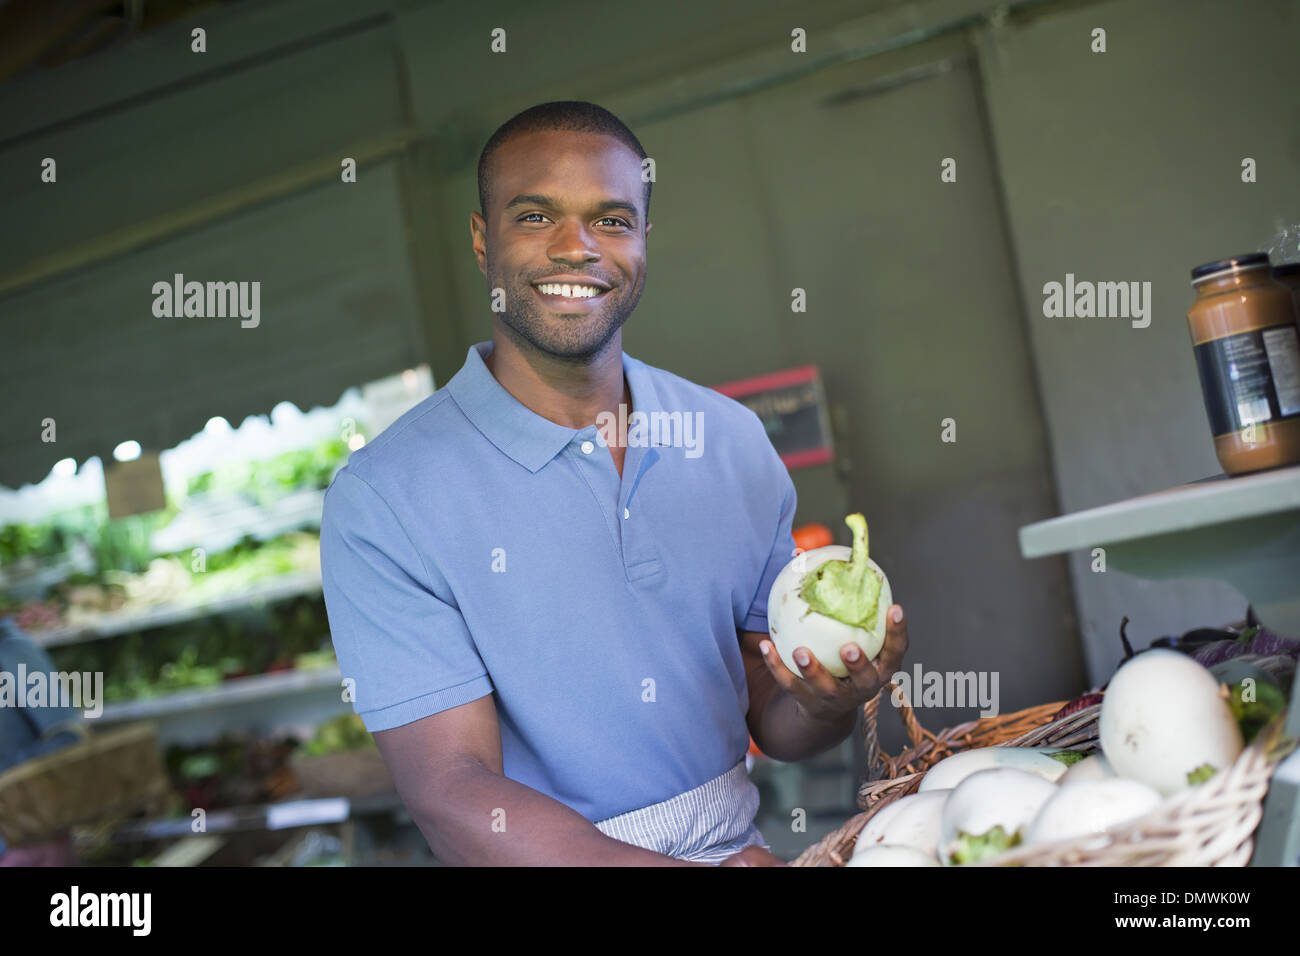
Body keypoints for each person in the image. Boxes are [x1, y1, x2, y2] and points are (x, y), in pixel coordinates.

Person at [319, 101, 909, 866]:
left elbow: (777, 718)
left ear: (642, 243)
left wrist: (826, 700)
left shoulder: (728, 441)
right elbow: (453, 792)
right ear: (480, 239)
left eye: (612, 220)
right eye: (535, 217)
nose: (577, 248)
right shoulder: (385, 497)